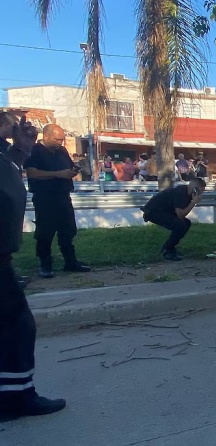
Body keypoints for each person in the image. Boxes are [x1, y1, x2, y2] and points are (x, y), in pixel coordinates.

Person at [1, 112, 67, 422]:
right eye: (8, 123)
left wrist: (20, 147)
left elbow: (13, 168)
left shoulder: (6, 154)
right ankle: (17, 398)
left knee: (13, 326)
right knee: (17, 326)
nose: (15, 127)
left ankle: (12, 396)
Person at [23, 124, 91, 278]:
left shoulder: (62, 151)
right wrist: (58, 174)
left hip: (63, 195)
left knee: (67, 230)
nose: (60, 142)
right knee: (45, 232)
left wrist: (74, 170)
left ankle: (70, 262)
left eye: (62, 139)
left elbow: (68, 167)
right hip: (45, 196)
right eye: (57, 139)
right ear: (46, 136)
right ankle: (45, 265)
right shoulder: (35, 150)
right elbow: (32, 173)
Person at [141, 178, 205, 261]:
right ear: (195, 188)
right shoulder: (181, 193)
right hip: (153, 212)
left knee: (186, 223)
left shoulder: (187, 193)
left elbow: (180, 213)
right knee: (180, 225)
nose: (201, 193)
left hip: (163, 211)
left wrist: (193, 201)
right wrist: (193, 203)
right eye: (201, 190)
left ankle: (170, 247)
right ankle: (167, 250)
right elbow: (180, 214)